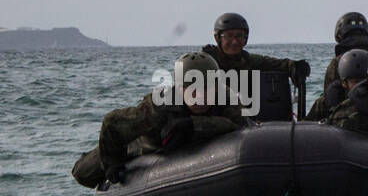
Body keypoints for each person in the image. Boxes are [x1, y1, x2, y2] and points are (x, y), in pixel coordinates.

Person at [72, 52, 249, 187]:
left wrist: (193, 125)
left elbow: (238, 128)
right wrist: (112, 161)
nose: (201, 97)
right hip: (142, 142)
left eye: (207, 89)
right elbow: (112, 123)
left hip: (187, 142)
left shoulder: (228, 99)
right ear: (180, 89)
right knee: (83, 173)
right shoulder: (159, 106)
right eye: (193, 91)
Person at [203, 13, 310, 92]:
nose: (234, 42)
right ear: (218, 38)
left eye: (239, 36)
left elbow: (278, 64)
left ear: (245, 39)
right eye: (229, 36)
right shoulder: (203, 62)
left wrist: (294, 67)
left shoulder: (247, 60)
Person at [307, 48, 368, 121]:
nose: (361, 85)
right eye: (356, 82)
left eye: (366, 81)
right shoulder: (324, 104)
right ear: (344, 83)